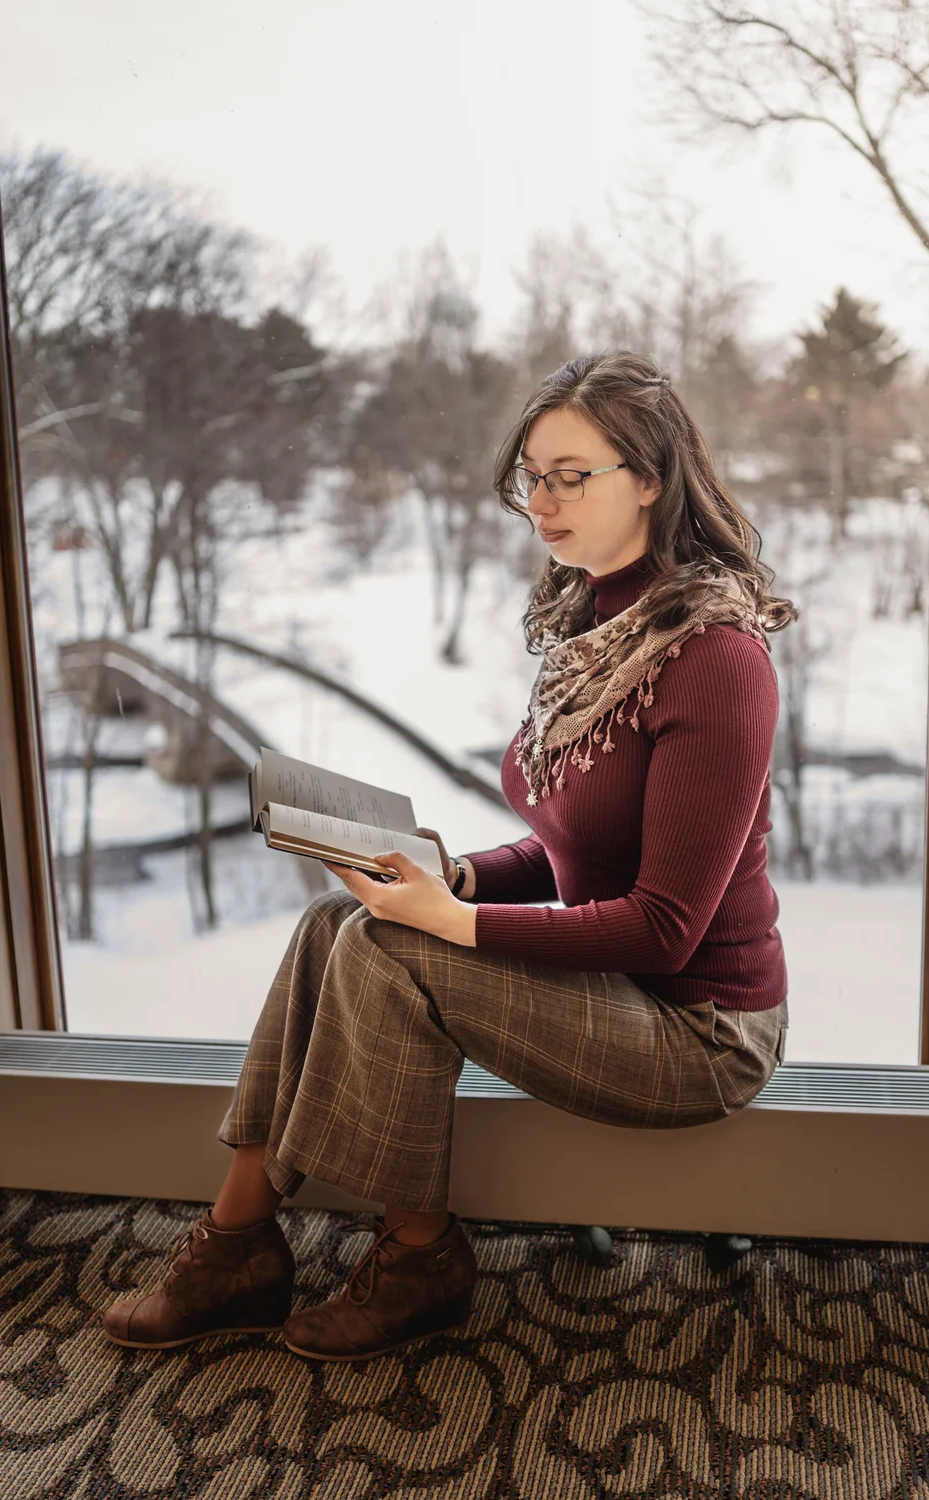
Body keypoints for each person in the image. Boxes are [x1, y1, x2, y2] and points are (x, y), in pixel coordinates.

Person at [102, 349, 794, 1362]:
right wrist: (454, 876)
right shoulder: (592, 631)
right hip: (620, 987)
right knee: (334, 919)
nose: (541, 502)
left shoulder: (716, 661)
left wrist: (452, 922)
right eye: (531, 476)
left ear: (649, 479)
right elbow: (570, 845)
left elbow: (661, 924)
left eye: (571, 475)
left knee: (391, 950)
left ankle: (418, 1255)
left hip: (700, 1029)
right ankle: (238, 1241)